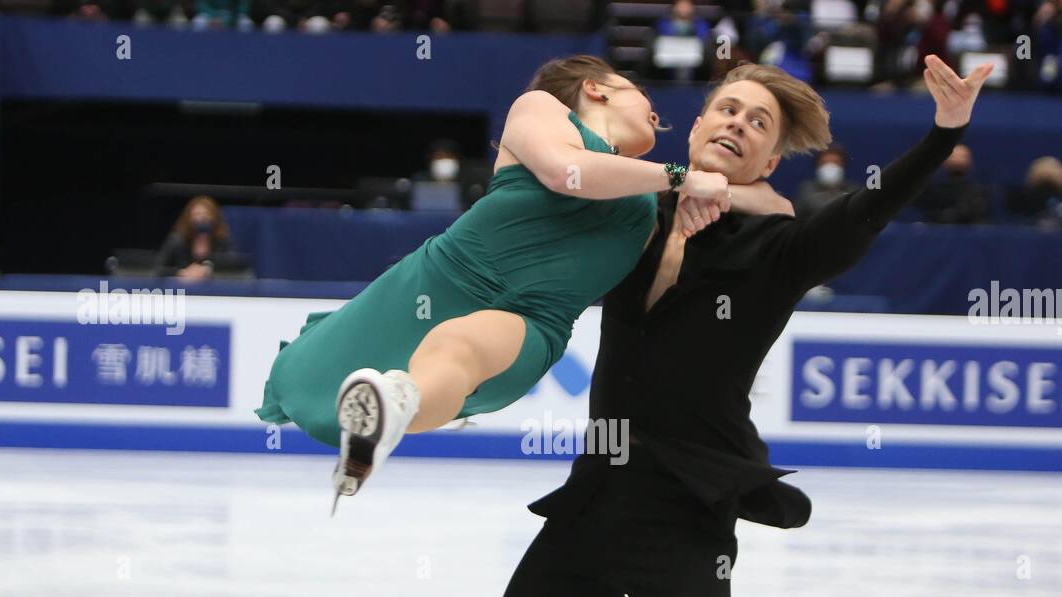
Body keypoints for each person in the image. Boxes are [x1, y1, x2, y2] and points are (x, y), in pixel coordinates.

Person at [476, 55, 991, 597]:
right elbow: (547, 179)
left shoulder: (781, 247)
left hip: (689, 519)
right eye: (726, 109)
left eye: (758, 123)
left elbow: (865, 211)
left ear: (771, 160)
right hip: (593, 501)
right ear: (697, 126)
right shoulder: (631, 211)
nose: (737, 124)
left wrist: (944, 133)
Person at [254, 55, 790, 513]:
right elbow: (565, 172)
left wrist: (715, 186)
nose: (657, 114)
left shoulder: (645, 204)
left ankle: (395, 407)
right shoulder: (540, 111)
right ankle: (376, 428)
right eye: (642, 96)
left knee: (460, 343)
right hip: (440, 283)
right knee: (414, 350)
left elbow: (777, 208)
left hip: (528, 327)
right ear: (597, 88)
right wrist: (681, 177)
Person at [154, 196, 237, 280]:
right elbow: (158, 269)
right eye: (197, 214)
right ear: (188, 217)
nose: (201, 219)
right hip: (180, 285)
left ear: (214, 217)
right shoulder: (177, 240)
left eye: (206, 215)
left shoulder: (221, 240)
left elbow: (233, 269)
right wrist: (182, 272)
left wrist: (207, 270)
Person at [793, 142, 859, 219]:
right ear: (818, 165)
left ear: (843, 165)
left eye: (835, 162)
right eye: (824, 162)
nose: (830, 166)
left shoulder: (854, 190)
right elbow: (797, 219)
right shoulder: (806, 190)